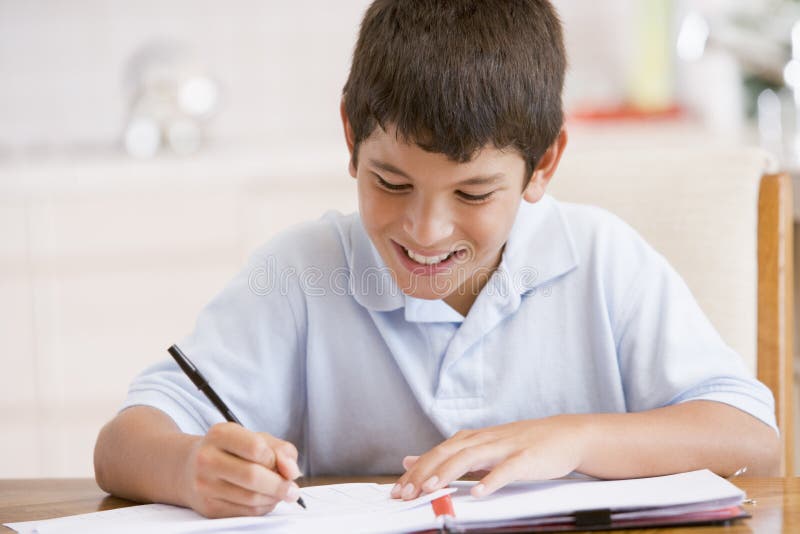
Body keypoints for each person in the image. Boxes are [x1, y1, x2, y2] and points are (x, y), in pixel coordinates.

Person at [93, 0, 780, 519]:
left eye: (473, 193)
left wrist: (573, 439)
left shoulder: (605, 261)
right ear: (350, 138)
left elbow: (751, 437)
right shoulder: (303, 272)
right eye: (390, 183)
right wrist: (190, 467)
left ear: (544, 164)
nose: (425, 231)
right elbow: (122, 444)